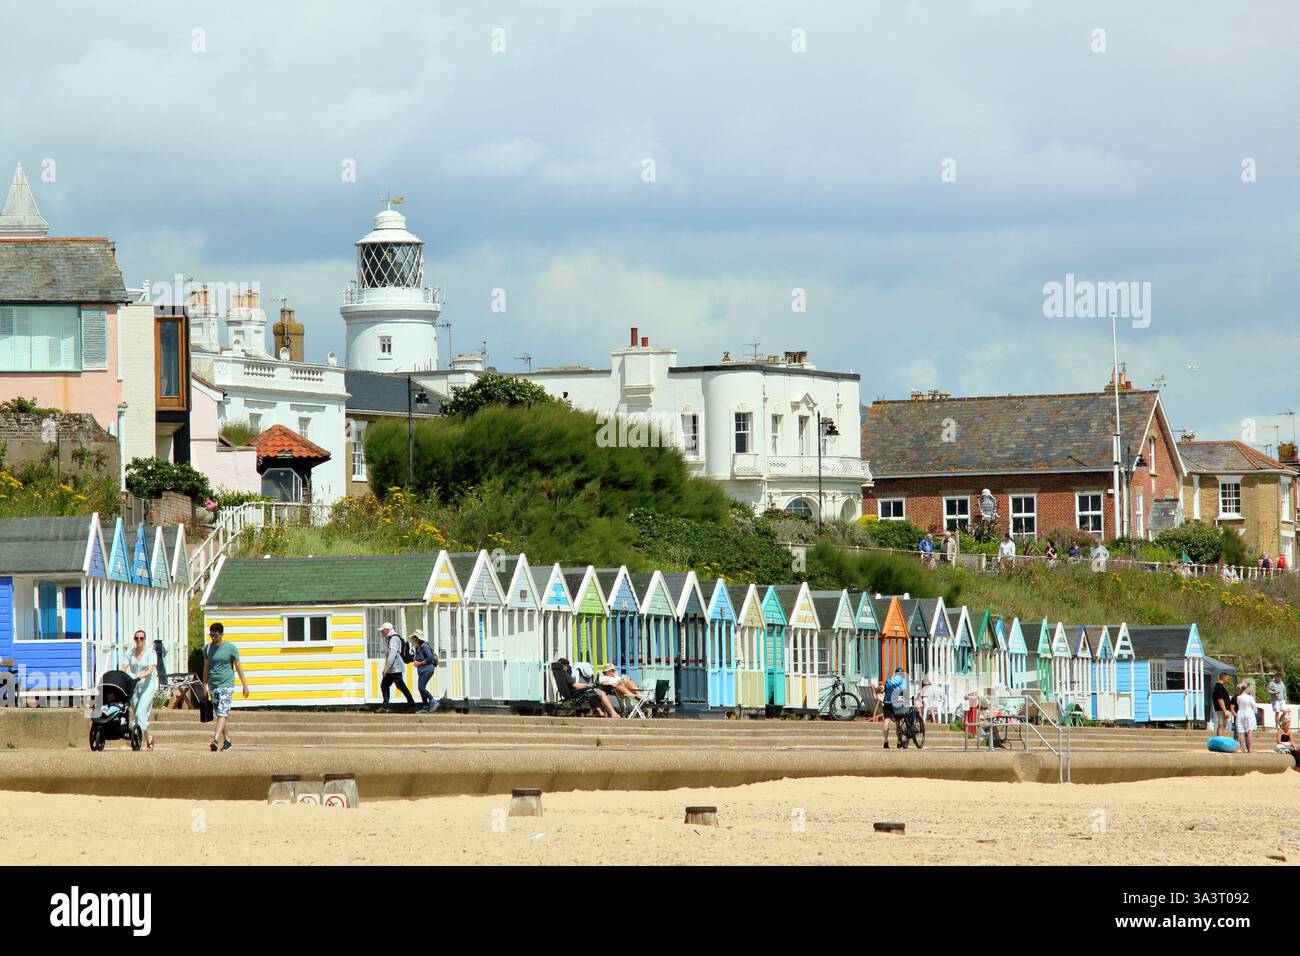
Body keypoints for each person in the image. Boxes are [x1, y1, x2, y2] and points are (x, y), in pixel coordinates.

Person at [203, 622, 249, 752]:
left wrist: (245, 685)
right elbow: (206, 667)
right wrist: (204, 685)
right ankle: (227, 740)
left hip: (226, 684)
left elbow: (239, 667)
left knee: (222, 712)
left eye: (216, 635)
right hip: (213, 684)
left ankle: (215, 739)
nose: (213, 637)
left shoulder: (230, 648)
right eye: (212, 635)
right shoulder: (207, 649)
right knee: (219, 714)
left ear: (221, 634)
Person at [125, 629, 158, 751]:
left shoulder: (150, 653)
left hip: (147, 684)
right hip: (134, 684)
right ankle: (149, 738)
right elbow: (124, 666)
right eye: (136, 638)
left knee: (140, 713)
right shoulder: (130, 652)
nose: (139, 640)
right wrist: (121, 675)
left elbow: (150, 669)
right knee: (137, 714)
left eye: (141, 638)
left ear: (145, 639)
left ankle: (138, 740)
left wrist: (141, 675)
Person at [379, 622, 416, 711]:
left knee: (400, 686)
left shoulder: (394, 639)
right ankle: (385, 706)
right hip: (392, 668)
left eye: (382, 631)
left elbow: (392, 655)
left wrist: (386, 669)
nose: (381, 632)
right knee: (384, 685)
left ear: (387, 630)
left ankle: (412, 704)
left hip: (395, 668)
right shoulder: (390, 638)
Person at [411, 630, 439, 714]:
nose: (412, 639)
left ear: (417, 638)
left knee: (421, 687)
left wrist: (419, 663)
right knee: (421, 688)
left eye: (413, 637)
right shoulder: (418, 647)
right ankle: (425, 707)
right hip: (423, 670)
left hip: (427, 670)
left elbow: (430, 658)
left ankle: (433, 701)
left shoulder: (424, 646)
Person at [882, 667, 907, 749]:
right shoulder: (902, 681)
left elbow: (885, 690)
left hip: (887, 703)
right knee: (898, 722)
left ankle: (886, 741)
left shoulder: (888, 680)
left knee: (886, 721)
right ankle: (899, 741)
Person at [1210, 671, 1234, 739]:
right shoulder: (1219, 686)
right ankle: (1219, 739)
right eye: (1227, 678)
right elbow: (1220, 699)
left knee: (1223, 725)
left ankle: (1220, 738)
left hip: (1223, 709)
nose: (1228, 680)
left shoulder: (1219, 686)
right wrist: (1225, 711)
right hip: (1222, 709)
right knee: (1221, 725)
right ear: (1223, 677)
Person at [1236, 680, 1258, 753]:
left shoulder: (1238, 697)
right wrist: (1255, 713)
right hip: (1249, 712)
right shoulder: (1250, 697)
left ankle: (1242, 748)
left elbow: (1239, 704)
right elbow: (1254, 706)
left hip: (1240, 712)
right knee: (1249, 731)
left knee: (1240, 731)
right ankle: (1250, 748)